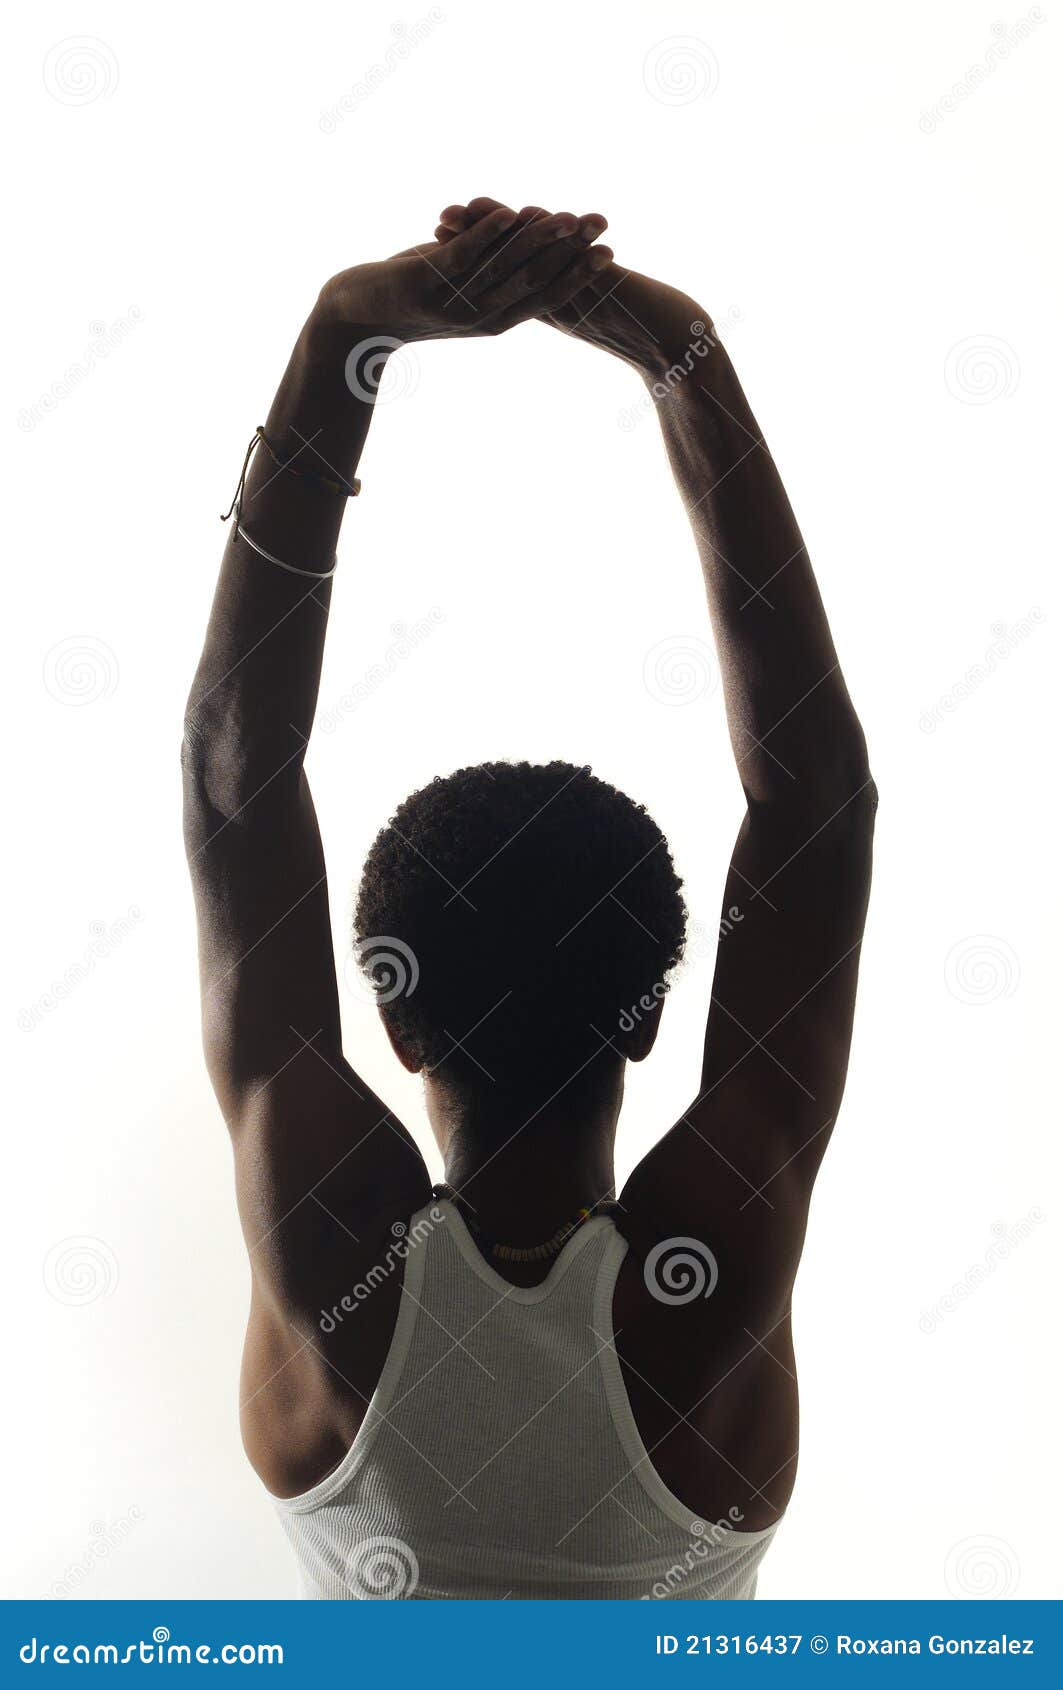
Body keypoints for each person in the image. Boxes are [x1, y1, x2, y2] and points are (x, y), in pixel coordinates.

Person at [182, 199, 876, 1600]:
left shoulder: (335, 1267)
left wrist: (345, 338)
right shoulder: (710, 1280)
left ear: (400, 1010)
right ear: (644, 1013)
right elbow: (816, 803)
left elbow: (235, 778)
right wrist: (681, 360)